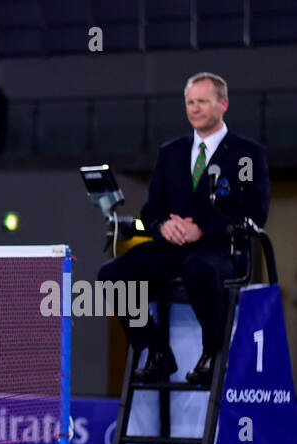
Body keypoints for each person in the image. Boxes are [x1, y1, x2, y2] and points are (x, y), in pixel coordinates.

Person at [97, 72, 269, 385]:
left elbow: (255, 211)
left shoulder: (247, 153)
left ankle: (212, 353)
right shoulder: (171, 152)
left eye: (202, 101)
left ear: (223, 104)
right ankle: (157, 351)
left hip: (221, 248)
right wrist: (163, 225)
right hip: (172, 246)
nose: (195, 108)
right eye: (190, 102)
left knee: (197, 267)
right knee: (111, 277)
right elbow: (152, 208)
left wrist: (203, 228)